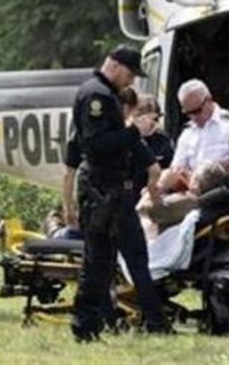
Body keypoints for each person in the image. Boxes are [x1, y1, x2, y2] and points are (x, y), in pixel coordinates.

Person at [70, 45, 168, 341]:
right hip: (102, 191)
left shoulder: (105, 94)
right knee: (98, 261)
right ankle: (86, 324)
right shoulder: (96, 96)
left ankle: (142, 321)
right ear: (115, 66)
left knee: (120, 257)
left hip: (113, 192)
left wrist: (146, 159)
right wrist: (133, 131)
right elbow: (98, 145)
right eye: (129, 74)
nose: (131, 82)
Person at [159, 79, 229, 194]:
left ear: (209, 100)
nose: (193, 117)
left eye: (197, 111)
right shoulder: (187, 132)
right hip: (196, 195)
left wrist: (213, 171)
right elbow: (177, 167)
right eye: (188, 113)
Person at [129, 93, 173, 170]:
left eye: (157, 119)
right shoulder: (125, 137)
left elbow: (170, 165)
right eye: (153, 119)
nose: (155, 124)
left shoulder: (162, 139)